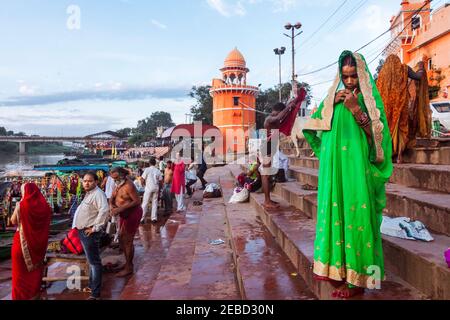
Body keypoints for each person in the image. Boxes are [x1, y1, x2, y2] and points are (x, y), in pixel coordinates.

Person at [303, 51, 393, 298]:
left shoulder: (369, 100)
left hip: (356, 171)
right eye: (345, 76)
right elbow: (310, 128)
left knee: (359, 219)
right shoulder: (332, 98)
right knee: (336, 216)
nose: (350, 81)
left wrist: (356, 111)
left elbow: (380, 142)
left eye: (354, 76)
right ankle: (340, 272)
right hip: (335, 171)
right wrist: (331, 105)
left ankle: (361, 281)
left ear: (361, 75)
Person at [376, 54, 430, 163]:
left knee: (387, 129)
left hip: (386, 108)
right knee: (401, 129)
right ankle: (399, 156)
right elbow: (418, 77)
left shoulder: (382, 73)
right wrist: (421, 68)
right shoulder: (404, 68)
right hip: (401, 106)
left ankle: (388, 155)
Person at [261, 85, 306, 209]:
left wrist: (292, 104)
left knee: (268, 174)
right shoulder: (270, 118)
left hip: (271, 145)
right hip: (267, 146)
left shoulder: (276, 118)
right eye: (281, 111)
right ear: (277, 110)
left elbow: (283, 117)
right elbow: (279, 117)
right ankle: (266, 201)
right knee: (265, 174)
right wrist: (288, 107)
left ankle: (268, 199)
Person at [72, 172, 110, 300]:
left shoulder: (98, 194)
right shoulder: (90, 193)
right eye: (84, 181)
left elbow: (104, 210)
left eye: (90, 181)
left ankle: (95, 294)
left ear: (96, 182)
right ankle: (92, 286)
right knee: (91, 261)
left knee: (94, 262)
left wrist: (95, 228)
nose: (86, 183)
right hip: (83, 231)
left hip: (90, 233)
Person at [10, 183, 51, 300]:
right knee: (35, 274)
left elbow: (13, 221)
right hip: (38, 245)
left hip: (21, 244)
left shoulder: (21, 205)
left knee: (19, 275)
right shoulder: (45, 206)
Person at [109, 167, 143, 277]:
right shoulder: (118, 185)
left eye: (116, 178)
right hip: (124, 214)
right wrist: (111, 205)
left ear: (122, 176)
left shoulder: (129, 185)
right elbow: (112, 197)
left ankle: (129, 267)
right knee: (121, 238)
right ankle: (127, 263)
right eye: (113, 179)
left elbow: (137, 201)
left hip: (132, 214)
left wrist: (120, 209)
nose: (115, 180)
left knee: (127, 240)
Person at [140, 158, 162, 223]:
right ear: (155, 163)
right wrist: (160, 188)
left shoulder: (147, 170)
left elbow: (142, 179)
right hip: (156, 188)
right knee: (154, 203)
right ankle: (154, 218)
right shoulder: (158, 170)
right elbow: (161, 181)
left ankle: (141, 218)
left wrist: (143, 185)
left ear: (149, 163)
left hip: (148, 188)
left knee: (145, 203)